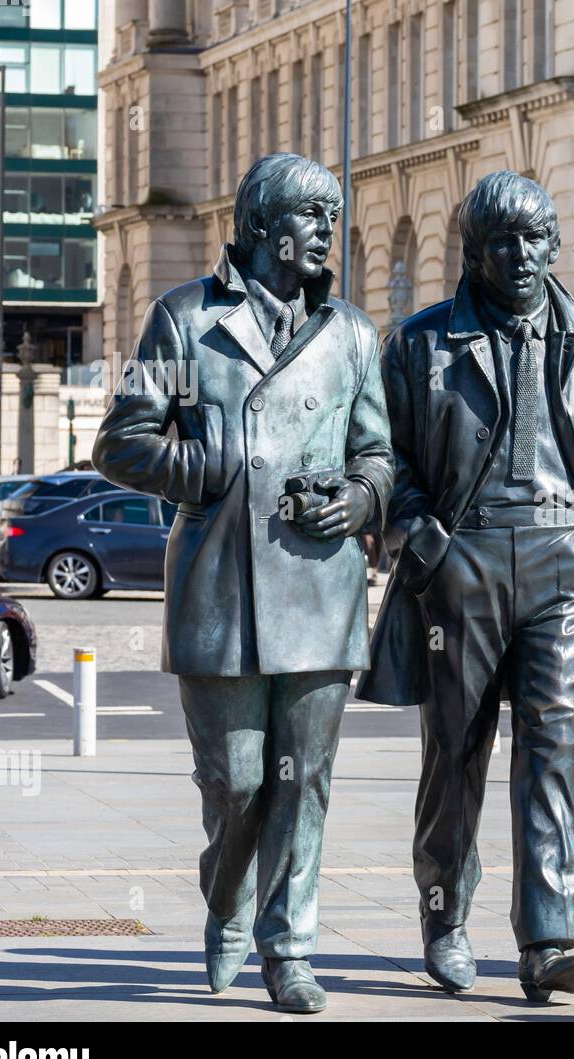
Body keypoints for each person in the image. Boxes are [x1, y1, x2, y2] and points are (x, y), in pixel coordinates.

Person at [93, 153, 394, 1013]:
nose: (325, 234)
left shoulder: (350, 334)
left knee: (303, 781)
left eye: (330, 217)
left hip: (320, 587)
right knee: (237, 783)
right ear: (263, 226)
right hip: (221, 593)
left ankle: (288, 947)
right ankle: (225, 901)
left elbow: (379, 452)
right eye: (309, 216)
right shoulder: (184, 319)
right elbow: (120, 441)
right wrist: (207, 461)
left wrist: (360, 495)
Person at [357, 171, 574, 1002]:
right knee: (455, 754)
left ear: (555, 246)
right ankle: (444, 914)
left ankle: (551, 937)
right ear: (475, 253)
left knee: (555, 752)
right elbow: (391, 462)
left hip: (564, 564)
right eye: (502, 242)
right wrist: (426, 544)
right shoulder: (420, 343)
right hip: (466, 559)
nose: (521, 256)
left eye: (534, 239)